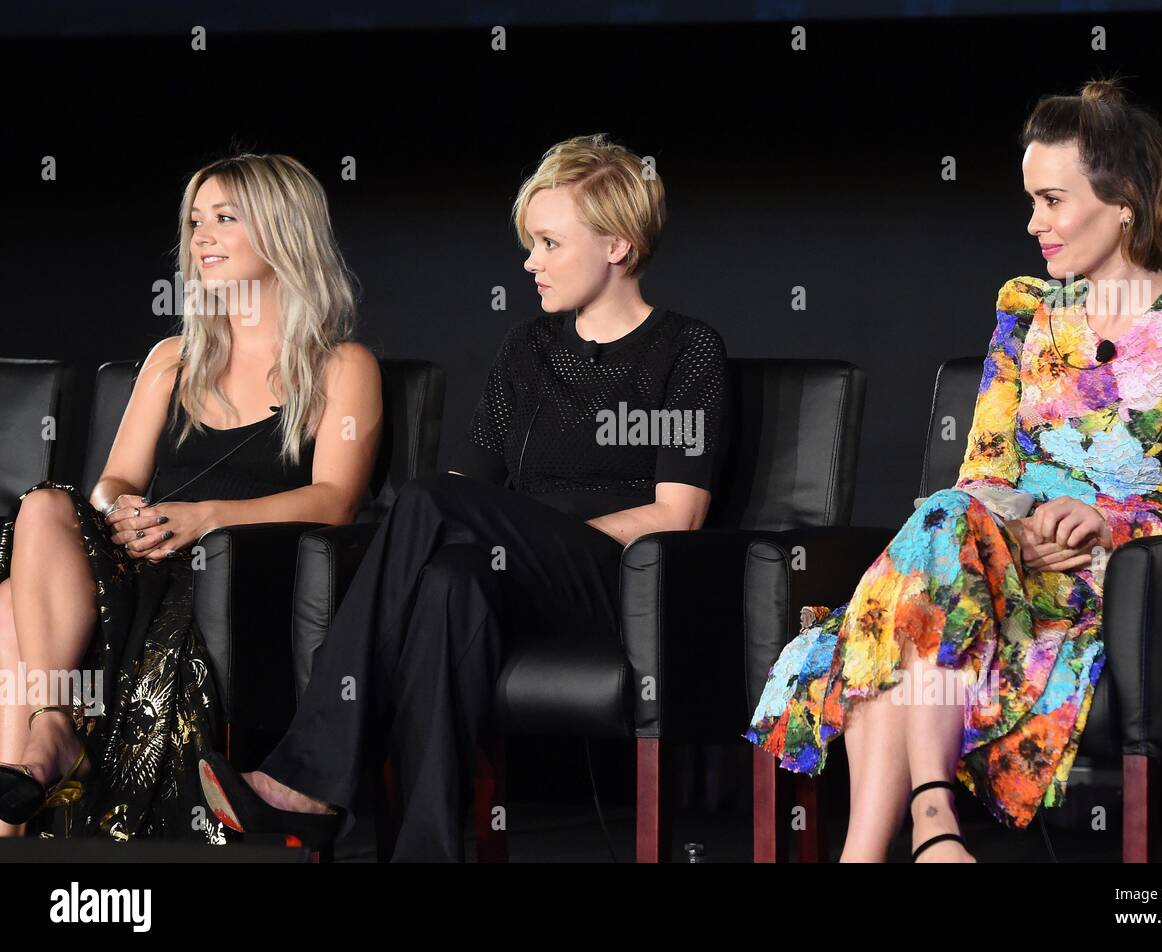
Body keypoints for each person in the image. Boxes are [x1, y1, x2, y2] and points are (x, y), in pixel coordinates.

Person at [744, 78, 1162, 862]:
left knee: (889, 621)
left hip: (1108, 590)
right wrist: (1018, 527)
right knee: (946, 522)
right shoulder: (1025, 320)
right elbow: (979, 479)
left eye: (1053, 200)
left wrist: (1110, 521)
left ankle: (888, 846)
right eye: (1032, 202)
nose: (1035, 224)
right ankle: (925, 830)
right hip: (988, 567)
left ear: (1124, 198)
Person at [196, 133, 731, 861]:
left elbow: (678, 514)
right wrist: (503, 539)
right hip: (517, 574)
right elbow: (469, 491)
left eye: (548, 243)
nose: (529, 262)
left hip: (619, 576)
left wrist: (531, 533)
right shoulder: (526, 349)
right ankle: (428, 851)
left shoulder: (687, 349)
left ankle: (309, 776)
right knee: (450, 585)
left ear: (618, 246)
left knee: (424, 503)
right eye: (529, 244)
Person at [0, 153, 382, 842]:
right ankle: (51, 729)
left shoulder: (341, 366)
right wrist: (124, 510)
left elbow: (335, 502)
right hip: (140, 555)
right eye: (194, 221)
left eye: (224, 219)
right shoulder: (172, 359)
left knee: (10, 612)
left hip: (238, 576)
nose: (200, 236)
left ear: (284, 233)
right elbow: (112, 479)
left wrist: (206, 519)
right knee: (42, 508)